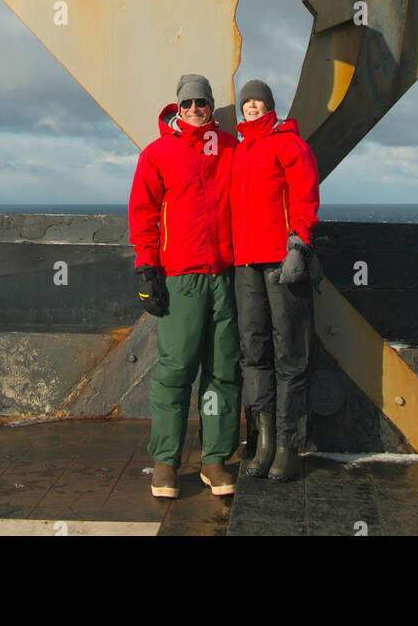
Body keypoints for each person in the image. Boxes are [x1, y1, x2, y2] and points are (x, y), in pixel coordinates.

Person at [128, 73, 241, 500]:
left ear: (212, 106)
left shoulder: (229, 149)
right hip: (181, 278)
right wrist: (146, 268)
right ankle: (165, 462)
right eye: (189, 102)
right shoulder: (158, 154)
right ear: (177, 107)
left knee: (223, 370)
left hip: (225, 275)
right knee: (176, 371)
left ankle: (215, 459)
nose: (196, 109)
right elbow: (144, 213)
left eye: (203, 102)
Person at [231, 79, 321, 482]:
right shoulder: (238, 149)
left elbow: (305, 196)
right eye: (246, 102)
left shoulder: (289, 143)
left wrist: (298, 246)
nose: (251, 106)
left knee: (290, 355)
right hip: (245, 263)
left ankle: (288, 445)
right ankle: (262, 442)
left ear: (269, 105)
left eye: (258, 101)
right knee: (254, 352)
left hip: (281, 262)